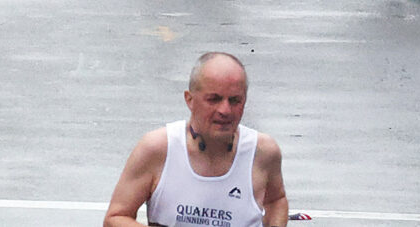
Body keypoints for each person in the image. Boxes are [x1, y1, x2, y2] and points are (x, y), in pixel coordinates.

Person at [104, 54, 290, 227]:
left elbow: (276, 201)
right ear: (189, 99)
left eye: (235, 101)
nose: (225, 110)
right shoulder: (158, 148)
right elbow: (115, 218)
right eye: (214, 99)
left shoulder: (263, 152)